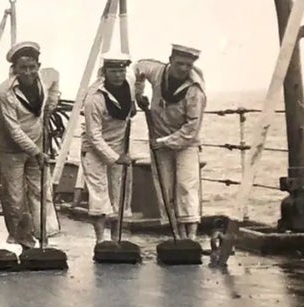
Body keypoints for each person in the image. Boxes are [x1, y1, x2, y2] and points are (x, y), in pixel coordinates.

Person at [0, 40, 61, 248]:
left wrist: (51, 105)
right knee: (15, 198)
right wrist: (37, 152)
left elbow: (55, 78)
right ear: (14, 69)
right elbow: (14, 131)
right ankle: (24, 242)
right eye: (23, 68)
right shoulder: (2, 93)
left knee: (41, 192)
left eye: (32, 67)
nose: (28, 72)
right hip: (11, 151)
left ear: (38, 66)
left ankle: (44, 238)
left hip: (38, 146)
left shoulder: (46, 77)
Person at [133, 43, 207, 238]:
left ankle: (190, 236)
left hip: (186, 143)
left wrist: (165, 141)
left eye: (188, 66)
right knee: (165, 188)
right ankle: (177, 233)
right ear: (171, 60)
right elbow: (138, 67)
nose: (183, 69)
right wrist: (138, 93)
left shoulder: (195, 91)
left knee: (186, 186)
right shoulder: (157, 72)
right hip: (160, 140)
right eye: (180, 63)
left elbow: (191, 128)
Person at [78, 53, 137, 242]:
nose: (118, 75)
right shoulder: (94, 98)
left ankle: (115, 239)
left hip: (119, 145)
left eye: (121, 70)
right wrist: (115, 157)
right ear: (104, 72)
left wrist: (136, 104)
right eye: (113, 71)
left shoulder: (129, 83)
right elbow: (94, 136)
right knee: (99, 196)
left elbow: (137, 86)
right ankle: (100, 240)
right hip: (94, 150)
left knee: (118, 195)